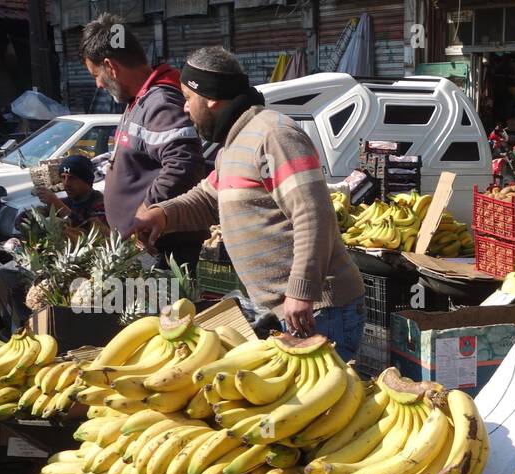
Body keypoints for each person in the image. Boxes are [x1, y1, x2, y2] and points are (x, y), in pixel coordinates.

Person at [130, 47, 366, 362]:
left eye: (187, 98)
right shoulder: (234, 145)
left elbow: (314, 214)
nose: (185, 109)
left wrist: (300, 291)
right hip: (282, 310)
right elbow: (208, 197)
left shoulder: (273, 135)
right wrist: (162, 215)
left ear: (210, 97)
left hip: (316, 310)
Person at [80, 14, 207, 271]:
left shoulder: (160, 103)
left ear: (111, 66)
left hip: (165, 252)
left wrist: (146, 210)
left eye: (97, 75)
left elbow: (184, 163)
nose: (98, 84)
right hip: (143, 250)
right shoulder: (138, 101)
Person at [34, 154, 107, 230]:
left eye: (72, 178)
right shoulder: (68, 202)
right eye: (63, 177)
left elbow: (93, 231)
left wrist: (58, 204)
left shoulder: (100, 204)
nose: (66, 183)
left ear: (86, 181)